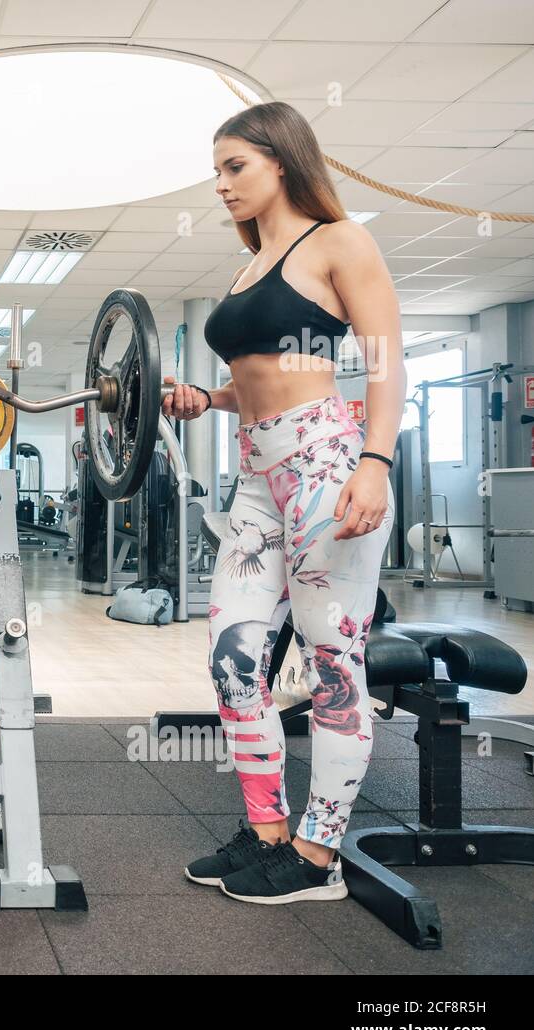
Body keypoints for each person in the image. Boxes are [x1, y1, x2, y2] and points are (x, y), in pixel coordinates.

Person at [168, 101, 405, 905]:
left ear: (281, 159)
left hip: (327, 462)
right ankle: (266, 830)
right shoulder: (246, 265)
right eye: (217, 172)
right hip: (256, 474)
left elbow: (383, 365)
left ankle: (317, 857)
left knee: (333, 665)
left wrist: (373, 463)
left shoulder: (339, 241)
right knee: (235, 656)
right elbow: (263, 379)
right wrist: (210, 398)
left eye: (235, 167)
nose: (223, 185)